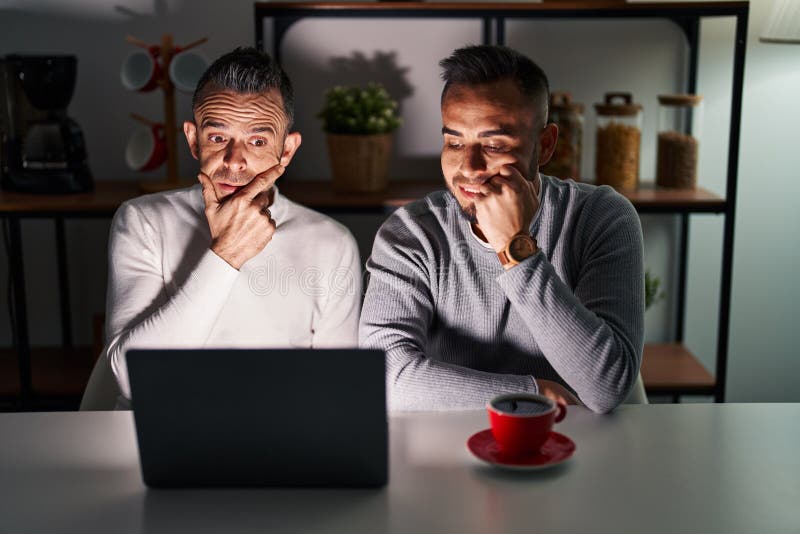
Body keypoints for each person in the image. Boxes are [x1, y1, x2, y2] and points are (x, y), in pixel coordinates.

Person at [359, 45, 644, 414]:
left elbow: (606, 387)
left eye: (494, 144)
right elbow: (382, 375)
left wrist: (515, 249)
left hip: (572, 443)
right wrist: (527, 395)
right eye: (454, 142)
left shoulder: (602, 218)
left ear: (544, 146)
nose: (469, 166)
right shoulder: (411, 234)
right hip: (447, 449)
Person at [104, 47, 361, 402]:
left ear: (286, 151)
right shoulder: (141, 221)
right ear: (194, 140)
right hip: (162, 432)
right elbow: (132, 380)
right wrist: (225, 255)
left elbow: (338, 390)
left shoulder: (332, 242)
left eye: (257, 141)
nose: (234, 161)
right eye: (218, 137)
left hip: (281, 441)